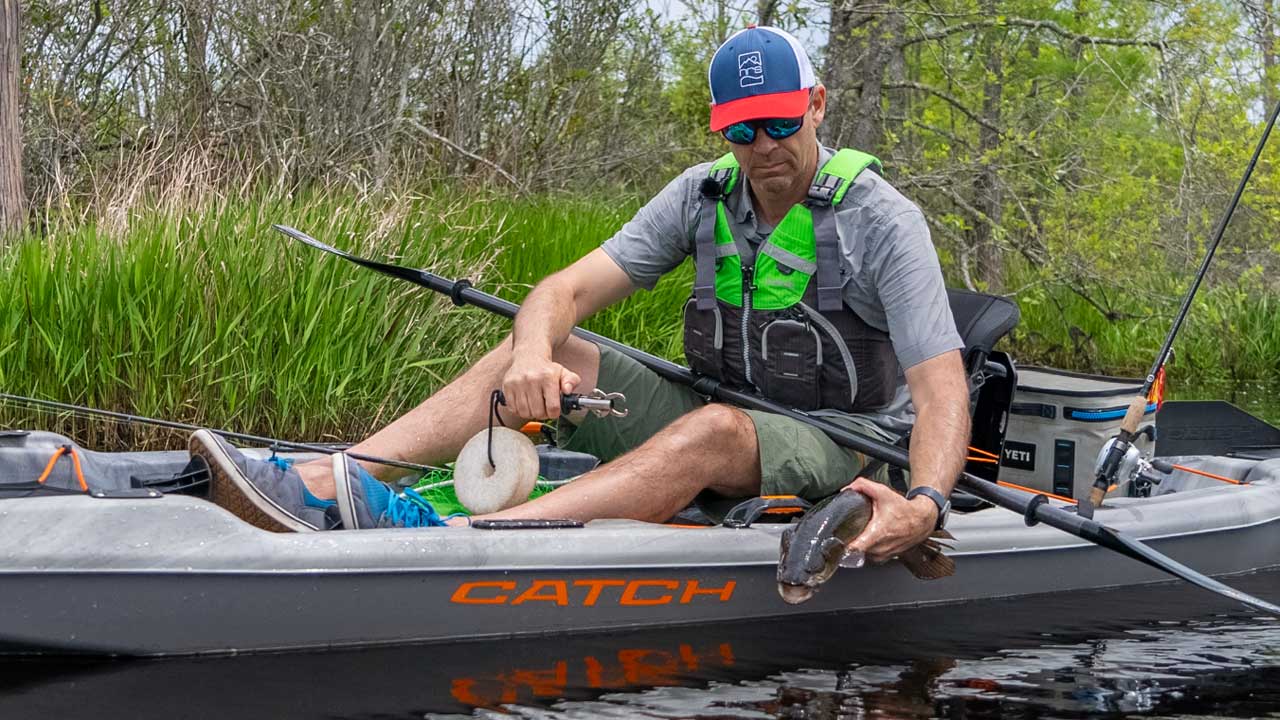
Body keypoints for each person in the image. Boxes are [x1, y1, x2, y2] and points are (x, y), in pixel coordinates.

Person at [190, 25, 971, 565]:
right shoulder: (701, 197)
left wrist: (926, 505)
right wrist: (532, 355)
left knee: (713, 430)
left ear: (817, 104)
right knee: (557, 346)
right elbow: (561, 290)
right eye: (741, 130)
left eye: (777, 121)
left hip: (849, 442)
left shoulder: (882, 222)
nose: (763, 146)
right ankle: (330, 477)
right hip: (729, 412)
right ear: (719, 131)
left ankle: (474, 539)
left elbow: (940, 396)